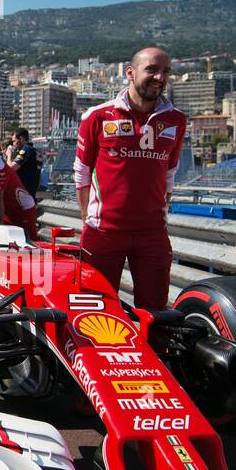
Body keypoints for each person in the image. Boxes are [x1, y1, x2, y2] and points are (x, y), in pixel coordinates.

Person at [73, 46, 187, 311]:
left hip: (153, 234)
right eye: (152, 70)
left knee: (155, 312)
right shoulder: (98, 116)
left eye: (166, 72)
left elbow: (170, 172)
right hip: (103, 233)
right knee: (96, 310)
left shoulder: (177, 120)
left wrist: (158, 213)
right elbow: (81, 171)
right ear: (129, 73)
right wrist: (86, 218)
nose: (160, 77)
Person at [0, 138, 38, 242]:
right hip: (8, 207)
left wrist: (0, 229)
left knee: (30, 242)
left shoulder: (0, 168)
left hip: (23, 208)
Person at [6, 128, 41, 202]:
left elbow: (11, 168)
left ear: (21, 139)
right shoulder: (35, 151)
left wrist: (9, 155)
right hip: (31, 191)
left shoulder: (26, 149)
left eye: (14, 141)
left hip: (22, 192)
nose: (13, 144)